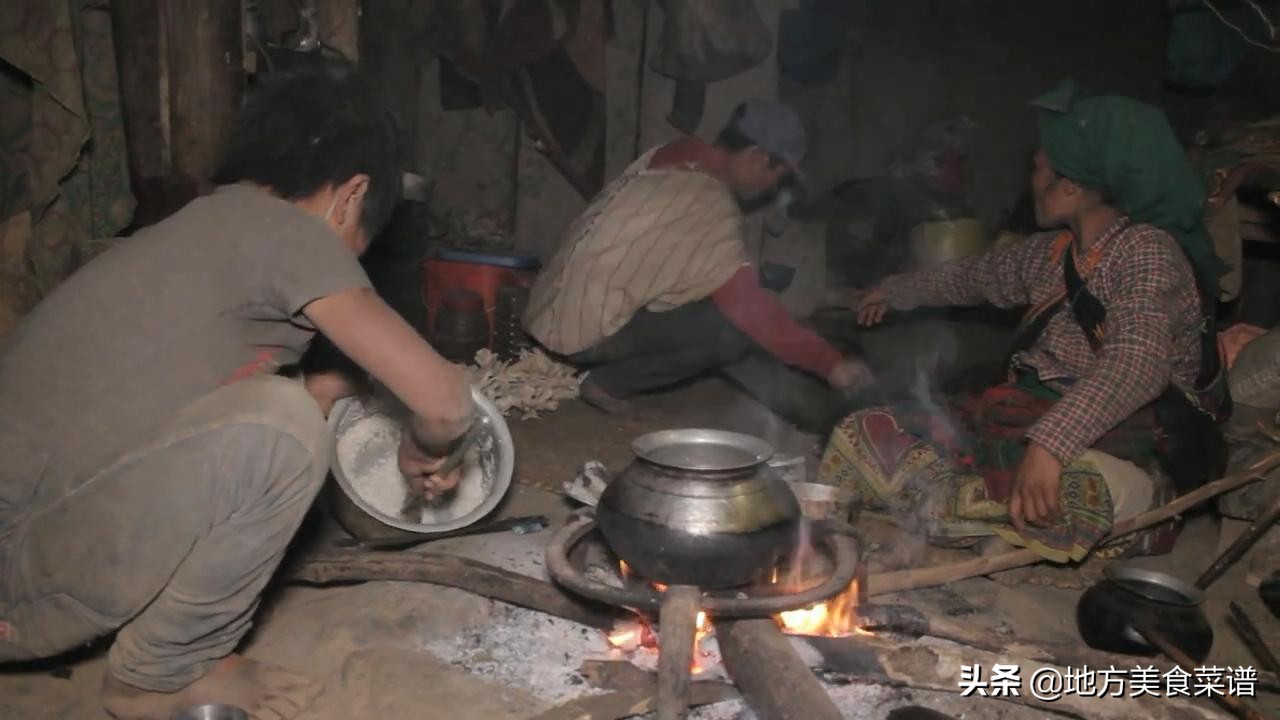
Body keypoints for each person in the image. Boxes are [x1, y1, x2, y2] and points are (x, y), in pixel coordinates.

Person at [0, 63, 473, 720]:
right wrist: (423, 449)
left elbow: (207, 395)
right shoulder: (290, 232)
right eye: (360, 244)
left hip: (25, 547)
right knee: (281, 429)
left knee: (288, 407)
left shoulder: (200, 229)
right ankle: (159, 677)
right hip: (14, 585)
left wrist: (341, 386)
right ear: (350, 195)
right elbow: (446, 402)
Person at [820, 81, 1231, 562]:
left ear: (1072, 184)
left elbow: (1138, 362)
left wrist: (1052, 445)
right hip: (1023, 424)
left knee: (1081, 491)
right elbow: (972, 277)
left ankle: (959, 510)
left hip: (1119, 447)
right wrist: (891, 292)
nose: (1031, 178)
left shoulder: (1147, 251)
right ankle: (978, 515)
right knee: (861, 432)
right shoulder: (1052, 253)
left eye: (1038, 166)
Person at [524, 100, 870, 416]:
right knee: (730, 330)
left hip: (546, 308)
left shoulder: (671, 154)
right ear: (758, 157)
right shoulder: (712, 207)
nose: (772, 189)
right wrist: (830, 364)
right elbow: (756, 315)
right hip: (581, 335)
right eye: (775, 178)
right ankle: (608, 382)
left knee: (704, 294)